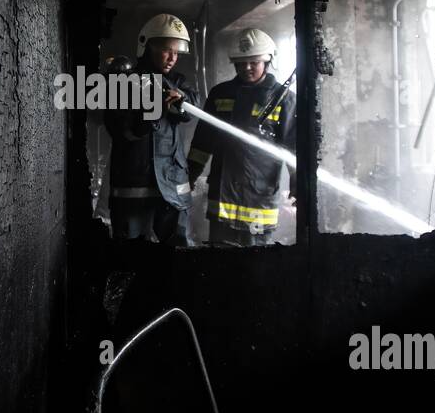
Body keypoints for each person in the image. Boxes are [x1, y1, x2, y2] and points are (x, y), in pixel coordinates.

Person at [188, 28, 296, 247]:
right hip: (222, 199)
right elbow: (202, 142)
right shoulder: (220, 94)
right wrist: (189, 175)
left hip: (258, 199)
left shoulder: (283, 100)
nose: (246, 68)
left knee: (255, 269)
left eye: (253, 62)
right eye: (240, 63)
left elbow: (293, 150)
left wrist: (298, 185)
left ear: (267, 61)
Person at [104, 14, 198, 245]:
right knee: (131, 258)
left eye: (176, 52)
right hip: (134, 185)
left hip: (172, 185)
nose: (172, 58)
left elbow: (194, 103)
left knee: (176, 258)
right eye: (166, 50)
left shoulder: (178, 82)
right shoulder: (125, 83)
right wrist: (149, 115)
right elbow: (119, 130)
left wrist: (181, 99)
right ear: (148, 47)